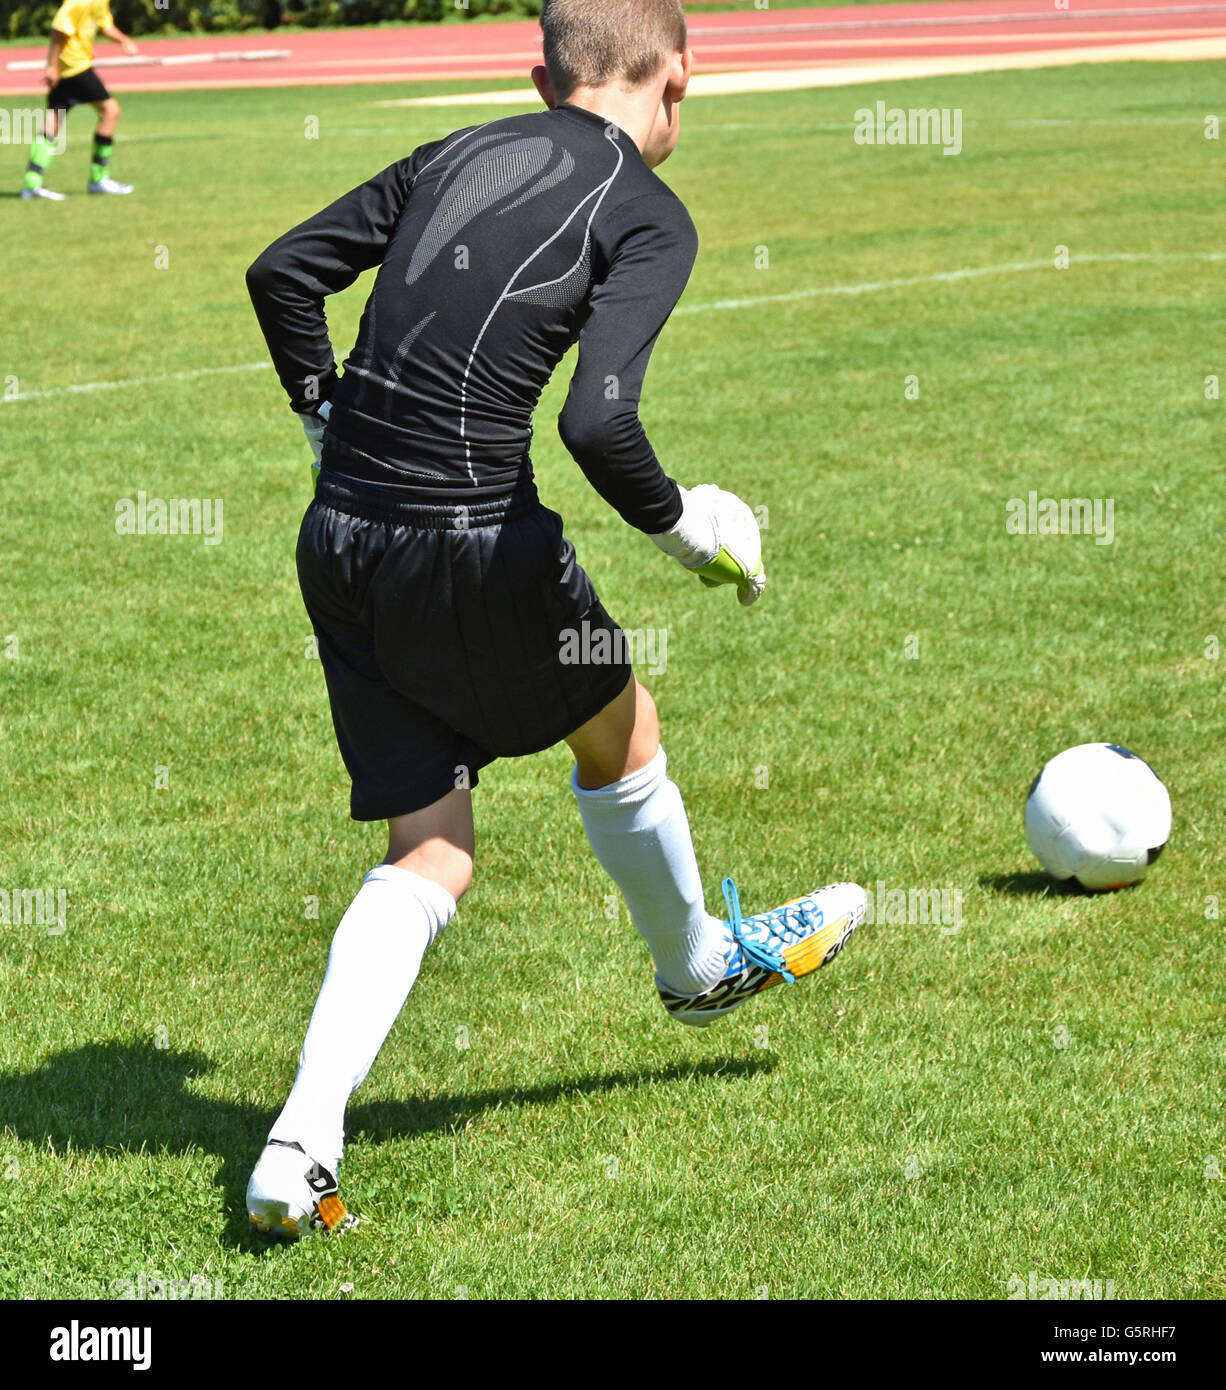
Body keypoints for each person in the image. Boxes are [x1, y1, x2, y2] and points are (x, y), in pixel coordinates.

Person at [243, 0, 866, 1239]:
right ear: (677, 80)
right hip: (474, 542)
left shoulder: (451, 151)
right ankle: (694, 969)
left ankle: (299, 1141)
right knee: (622, 735)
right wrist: (688, 527)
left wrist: (325, 417)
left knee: (430, 848)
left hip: (339, 540)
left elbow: (282, 273)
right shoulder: (646, 210)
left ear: (541, 80)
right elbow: (598, 423)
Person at [21, 0, 137, 200]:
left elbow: (105, 24)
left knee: (53, 121)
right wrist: (52, 65)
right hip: (75, 67)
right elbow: (59, 30)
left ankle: (32, 184)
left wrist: (124, 40)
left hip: (69, 68)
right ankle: (98, 179)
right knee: (110, 111)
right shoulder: (79, 1)